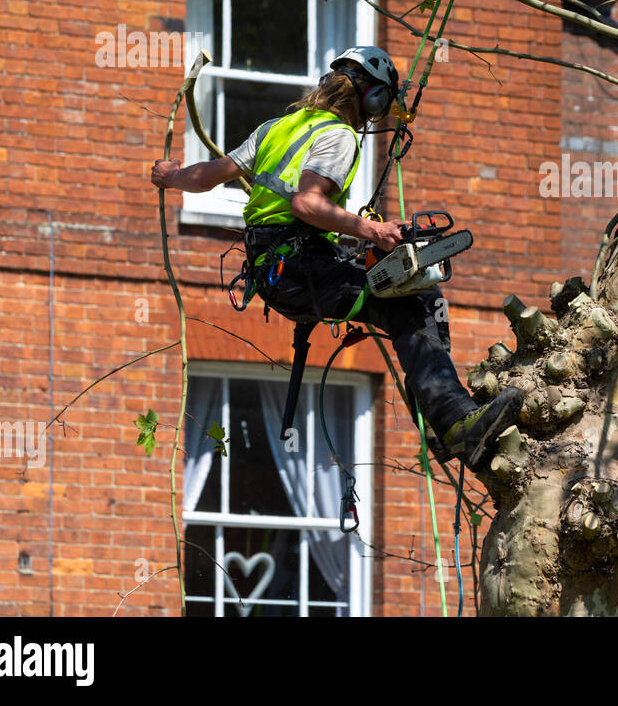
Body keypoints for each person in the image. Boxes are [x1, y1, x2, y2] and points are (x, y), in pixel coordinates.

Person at [150, 45, 521, 472]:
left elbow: (207, 175)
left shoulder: (276, 127)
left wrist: (170, 176)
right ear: (373, 99)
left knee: (385, 283)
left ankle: (445, 420)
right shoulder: (340, 135)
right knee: (418, 303)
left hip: (278, 272)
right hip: (302, 265)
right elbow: (307, 205)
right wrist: (372, 230)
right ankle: (452, 422)